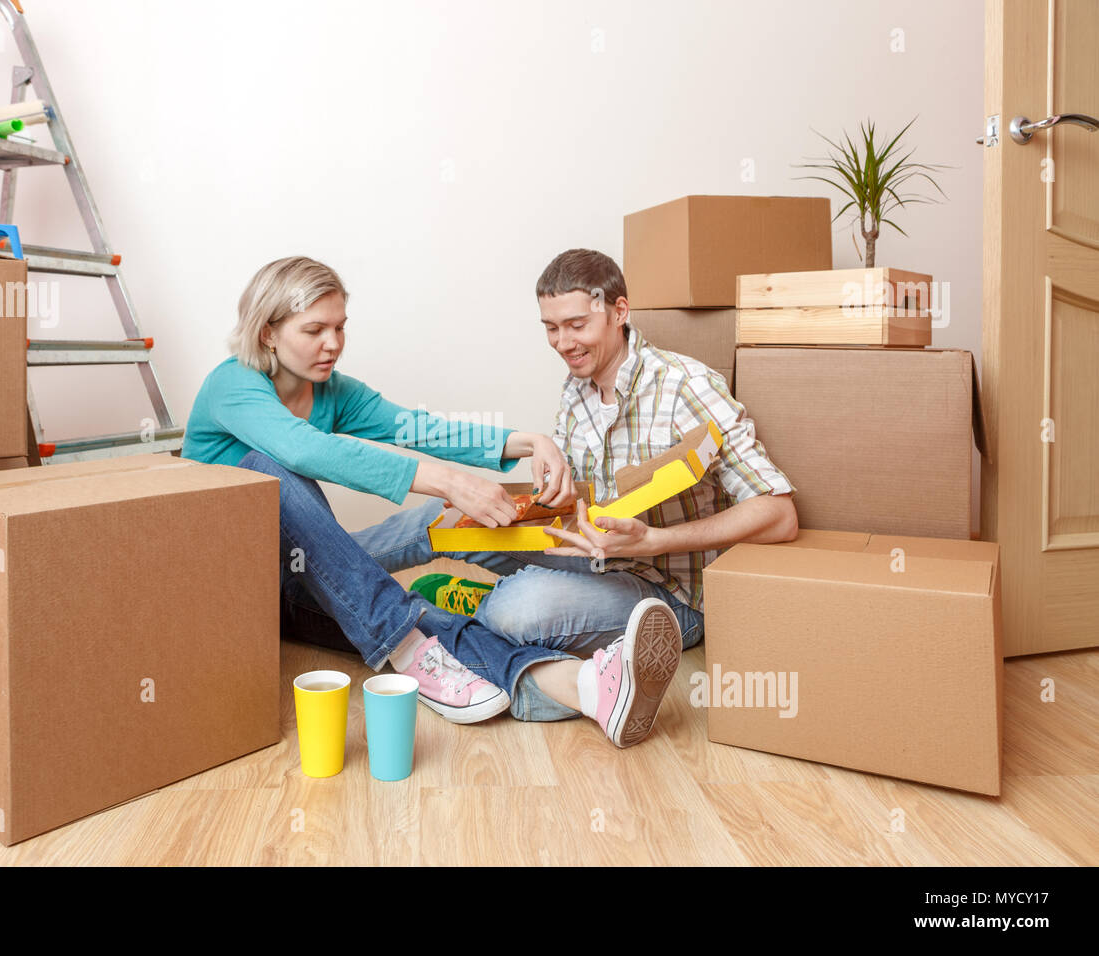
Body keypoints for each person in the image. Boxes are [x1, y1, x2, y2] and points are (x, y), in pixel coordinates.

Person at [182, 256, 683, 748]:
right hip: (229, 589)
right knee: (272, 472)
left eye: (340, 327)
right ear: (268, 333)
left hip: (306, 575)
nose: (332, 344)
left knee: (410, 599)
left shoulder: (329, 390)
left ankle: (577, 687)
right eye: (314, 330)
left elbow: (418, 428)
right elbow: (305, 449)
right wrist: (447, 481)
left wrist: (525, 441)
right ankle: (408, 647)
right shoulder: (233, 384)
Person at [349, 248, 800, 723]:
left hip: (671, 594)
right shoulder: (576, 389)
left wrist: (654, 541)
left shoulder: (687, 387)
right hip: (590, 555)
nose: (564, 342)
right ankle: (305, 575)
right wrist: (554, 498)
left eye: (577, 324)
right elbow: (582, 506)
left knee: (516, 609)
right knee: (445, 515)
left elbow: (780, 513)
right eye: (551, 328)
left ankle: (471, 605)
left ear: (619, 312)